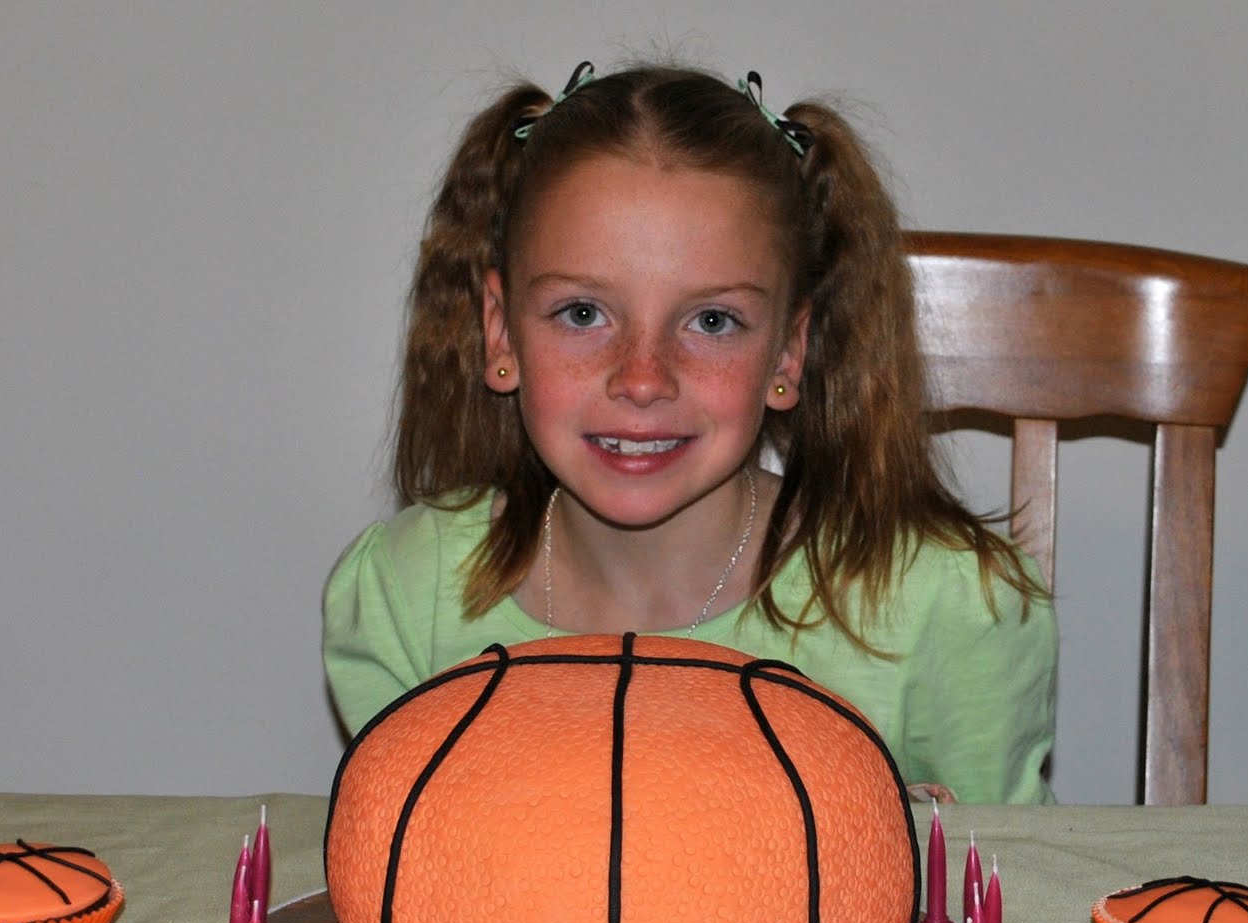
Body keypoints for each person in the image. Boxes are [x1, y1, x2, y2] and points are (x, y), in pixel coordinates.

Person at [323, 61, 1056, 803]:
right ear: (500, 331)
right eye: (582, 313)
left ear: (789, 350)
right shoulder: (405, 596)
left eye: (712, 321)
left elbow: (1007, 893)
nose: (642, 379)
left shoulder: (946, 607)